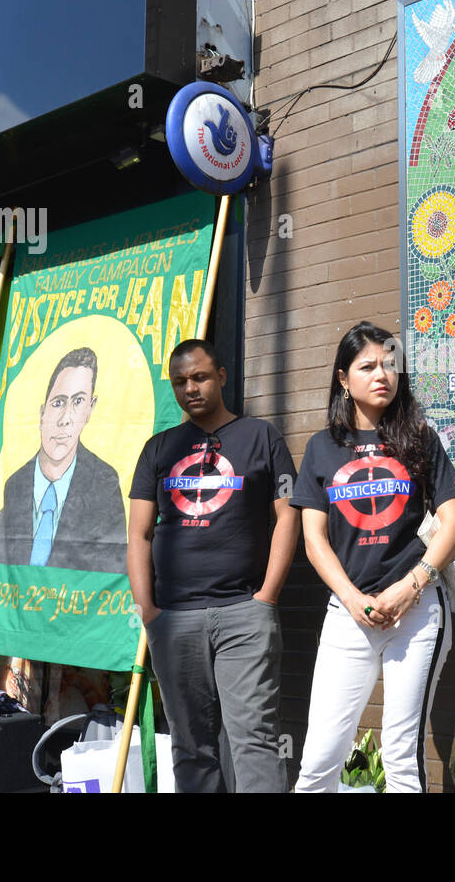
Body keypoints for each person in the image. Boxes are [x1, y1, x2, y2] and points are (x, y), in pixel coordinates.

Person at [292, 322, 455, 792]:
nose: (381, 375)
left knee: (400, 753)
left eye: (389, 365)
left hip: (416, 613)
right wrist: (351, 599)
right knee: (319, 757)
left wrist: (409, 588)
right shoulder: (322, 448)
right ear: (343, 380)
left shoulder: (420, 439)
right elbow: (314, 540)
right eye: (367, 366)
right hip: (348, 613)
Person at [127, 338, 299, 792]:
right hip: (174, 618)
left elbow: (289, 516)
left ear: (221, 376)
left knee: (254, 742)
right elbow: (138, 534)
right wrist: (149, 610)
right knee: (190, 744)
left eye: (200, 377)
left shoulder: (261, 437)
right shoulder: (158, 449)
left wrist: (267, 597)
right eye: (180, 381)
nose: (191, 388)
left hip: (245, 610)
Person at [0, 347, 126, 572]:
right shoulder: (16, 483)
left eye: (78, 401)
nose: (66, 419)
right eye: (58, 403)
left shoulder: (104, 482)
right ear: (42, 413)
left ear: (90, 410)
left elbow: (114, 566)